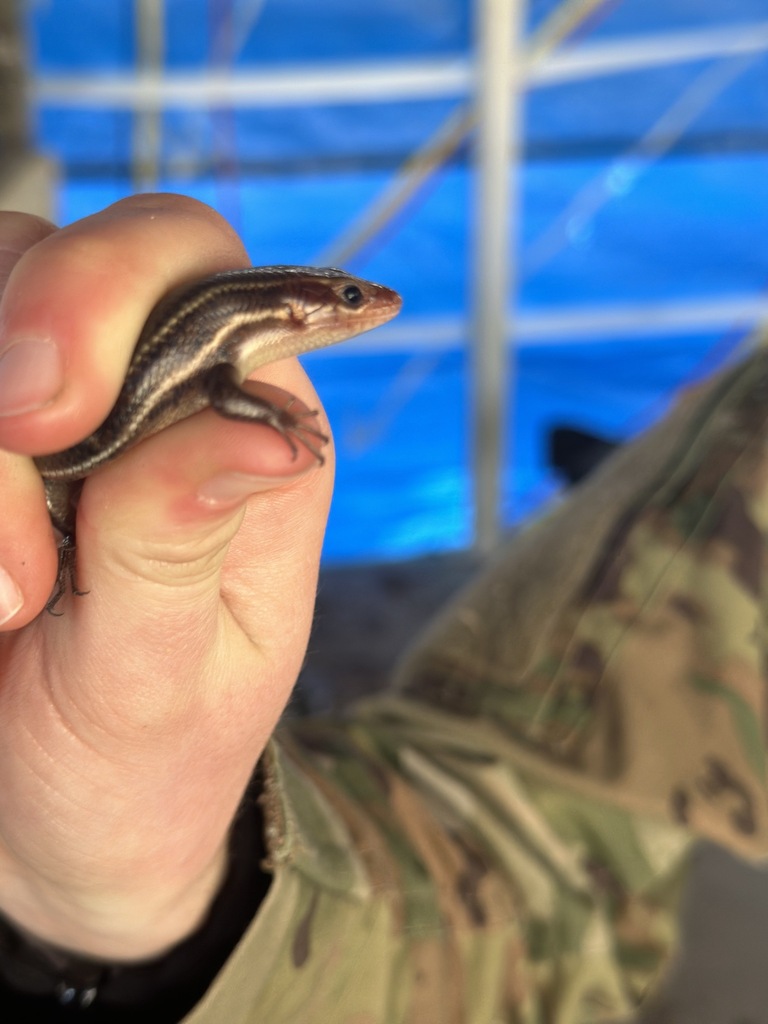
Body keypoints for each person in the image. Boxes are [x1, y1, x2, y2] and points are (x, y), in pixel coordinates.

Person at [0, 193, 764, 1023]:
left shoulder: (239, 335)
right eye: (355, 301)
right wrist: (120, 897)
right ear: (302, 309)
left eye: (356, 300)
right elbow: (547, 834)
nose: (372, 311)